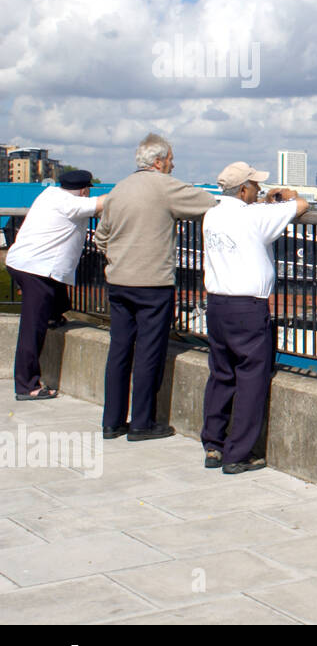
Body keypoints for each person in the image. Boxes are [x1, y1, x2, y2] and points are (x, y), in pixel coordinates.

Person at [94, 134, 218, 440]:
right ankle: (142, 423)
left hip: (119, 281)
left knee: (120, 351)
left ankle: (111, 422)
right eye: (171, 160)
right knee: (149, 353)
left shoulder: (119, 189)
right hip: (153, 284)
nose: (173, 164)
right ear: (159, 161)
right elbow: (208, 202)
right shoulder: (164, 185)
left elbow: (100, 238)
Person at [200, 163, 309, 474]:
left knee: (221, 373)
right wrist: (286, 195)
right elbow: (301, 206)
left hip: (217, 302)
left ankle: (213, 444)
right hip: (248, 307)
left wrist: (265, 202)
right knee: (251, 378)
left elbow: (248, 214)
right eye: (255, 186)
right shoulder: (254, 215)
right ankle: (239, 453)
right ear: (244, 190)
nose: (259, 190)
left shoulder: (213, 214)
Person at [6, 170, 105, 398]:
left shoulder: (49, 195)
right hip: (37, 270)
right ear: (83, 190)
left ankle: (54, 315)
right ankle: (27, 386)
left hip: (24, 263)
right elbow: (101, 203)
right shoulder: (71, 204)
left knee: (59, 298)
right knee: (32, 329)